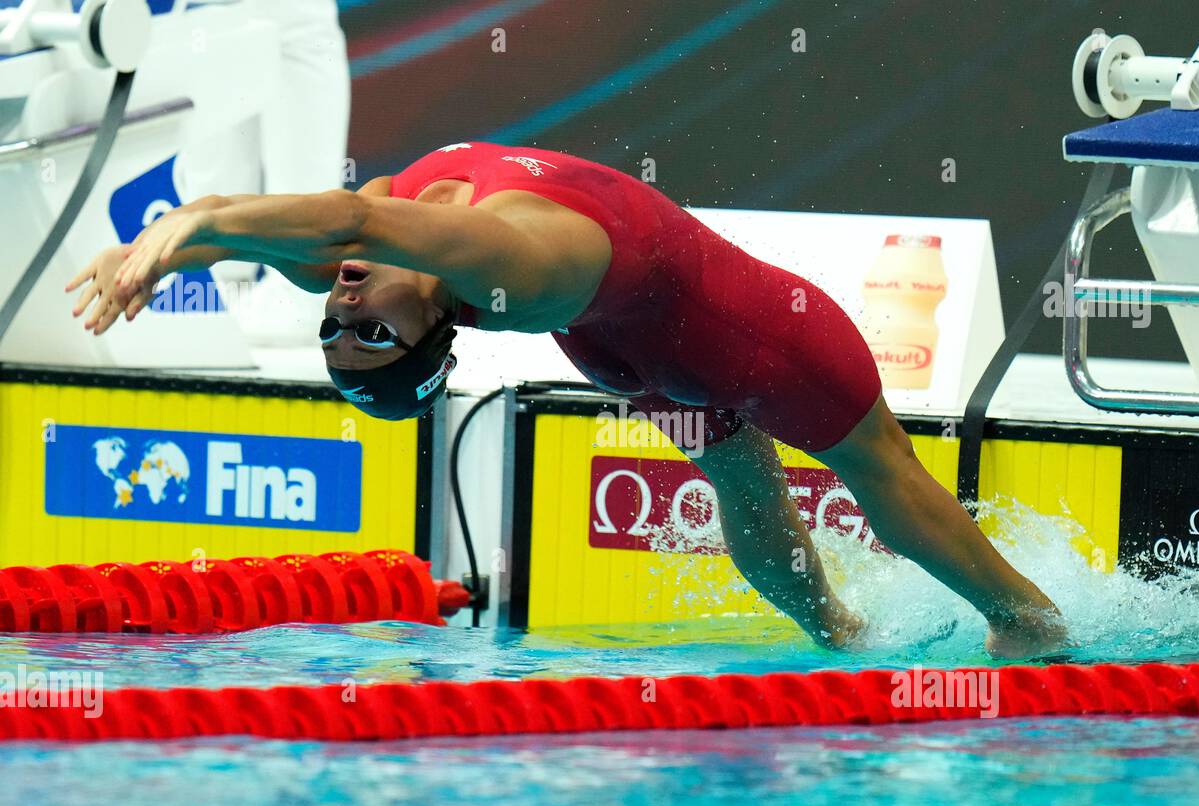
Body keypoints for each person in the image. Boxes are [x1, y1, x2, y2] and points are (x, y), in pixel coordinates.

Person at [68, 141, 1065, 657]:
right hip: (728, 339)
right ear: (437, 320)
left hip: (664, 343)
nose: (344, 308)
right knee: (837, 464)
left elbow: (264, 228)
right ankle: (954, 625)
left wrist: (158, 246)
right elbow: (351, 209)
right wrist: (188, 228)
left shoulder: (355, 266)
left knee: (789, 472)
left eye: (338, 327)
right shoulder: (501, 260)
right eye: (371, 332)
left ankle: (931, 627)